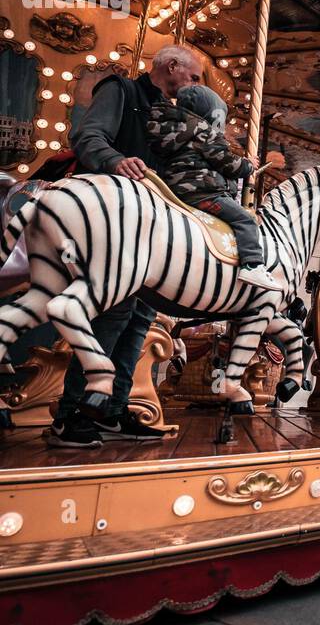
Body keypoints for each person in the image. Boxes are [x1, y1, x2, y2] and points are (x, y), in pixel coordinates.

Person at [48, 44, 204, 448]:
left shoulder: (174, 115)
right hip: (113, 222)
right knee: (114, 313)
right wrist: (116, 160)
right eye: (194, 77)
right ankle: (71, 415)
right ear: (171, 67)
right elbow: (87, 134)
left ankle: (111, 411)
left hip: (149, 233)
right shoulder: (121, 91)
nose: (195, 85)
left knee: (140, 320)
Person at [147, 83, 278, 292]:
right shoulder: (203, 130)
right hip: (203, 193)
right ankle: (253, 264)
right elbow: (227, 163)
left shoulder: (168, 128)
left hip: (175, 190)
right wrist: (248, 165)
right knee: (245, 219)